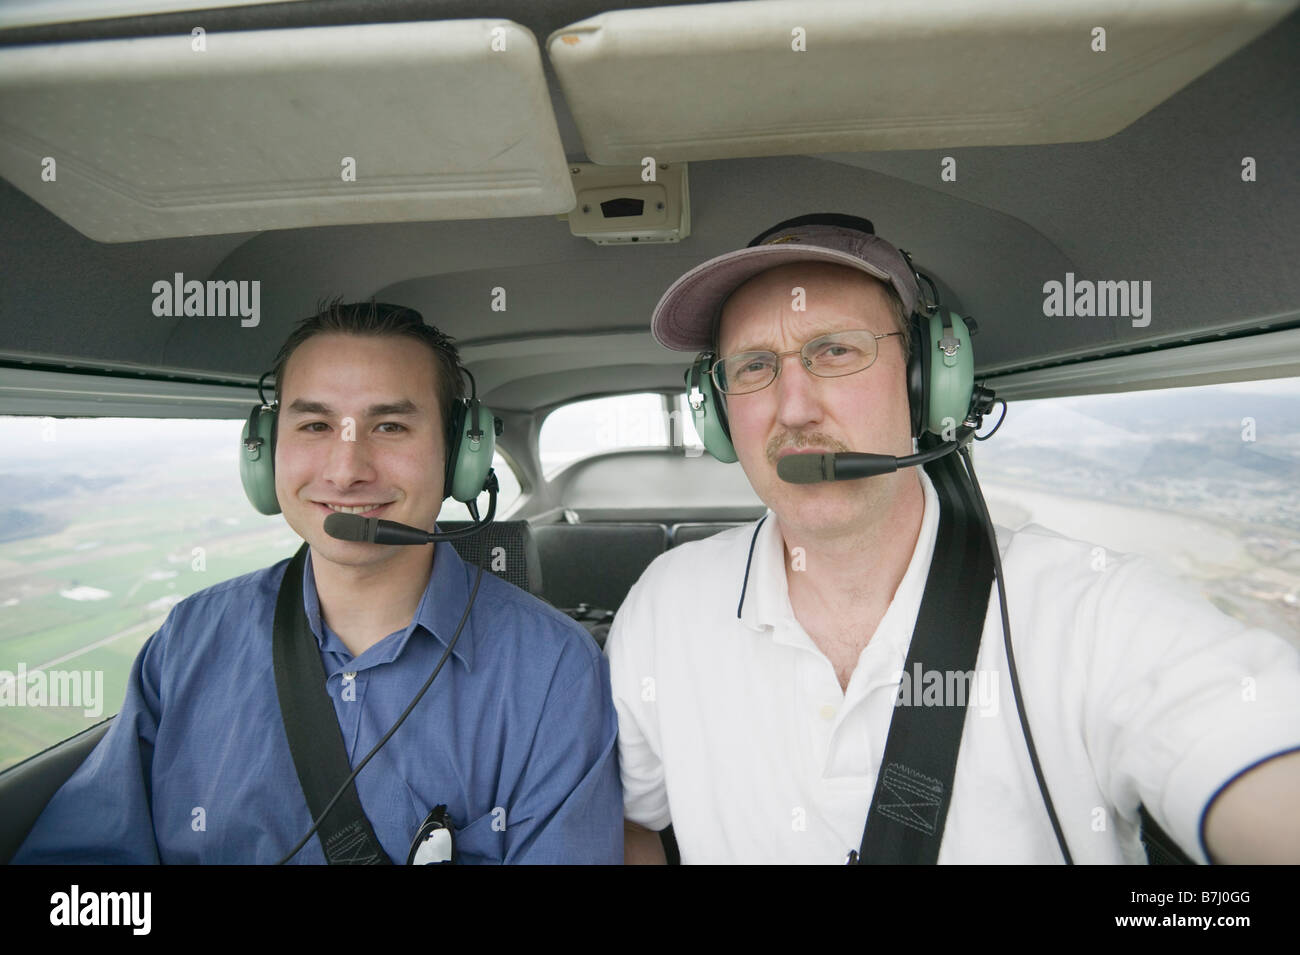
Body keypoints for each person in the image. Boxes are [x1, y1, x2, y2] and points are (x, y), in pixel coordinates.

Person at [608, 214, 1300, 864]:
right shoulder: (666, 605)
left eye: (835, 350)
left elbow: (1249, 752)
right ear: (723, 413)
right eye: (755, 365)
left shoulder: (1094, 610)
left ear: (928, 384)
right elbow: (633, 820)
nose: (793, 408)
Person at [14, 301, 621, 864]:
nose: (346, 470)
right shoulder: (189, 640)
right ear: (265, 451)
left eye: (389, 427)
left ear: (461, 456)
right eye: (314, 426)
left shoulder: (555, 670)